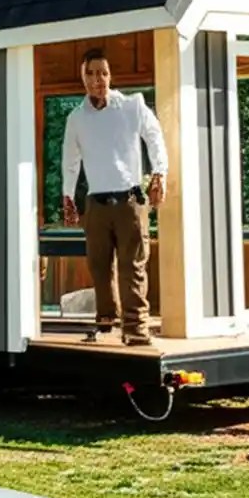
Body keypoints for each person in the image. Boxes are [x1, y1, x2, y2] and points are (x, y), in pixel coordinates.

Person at [61, 48, 168, 346]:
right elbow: (70, 161)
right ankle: (107, 324)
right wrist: (67, 197)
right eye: (92, 74)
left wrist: (160, 172)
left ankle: (136, 329)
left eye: (104, 73)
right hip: (96, 204)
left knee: (132, 267)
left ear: (111, 76)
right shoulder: (76, 118)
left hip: (130, 203)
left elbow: (155, 137)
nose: (98, 80)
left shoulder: (132, 106)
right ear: (83, 77)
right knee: (99, 266)